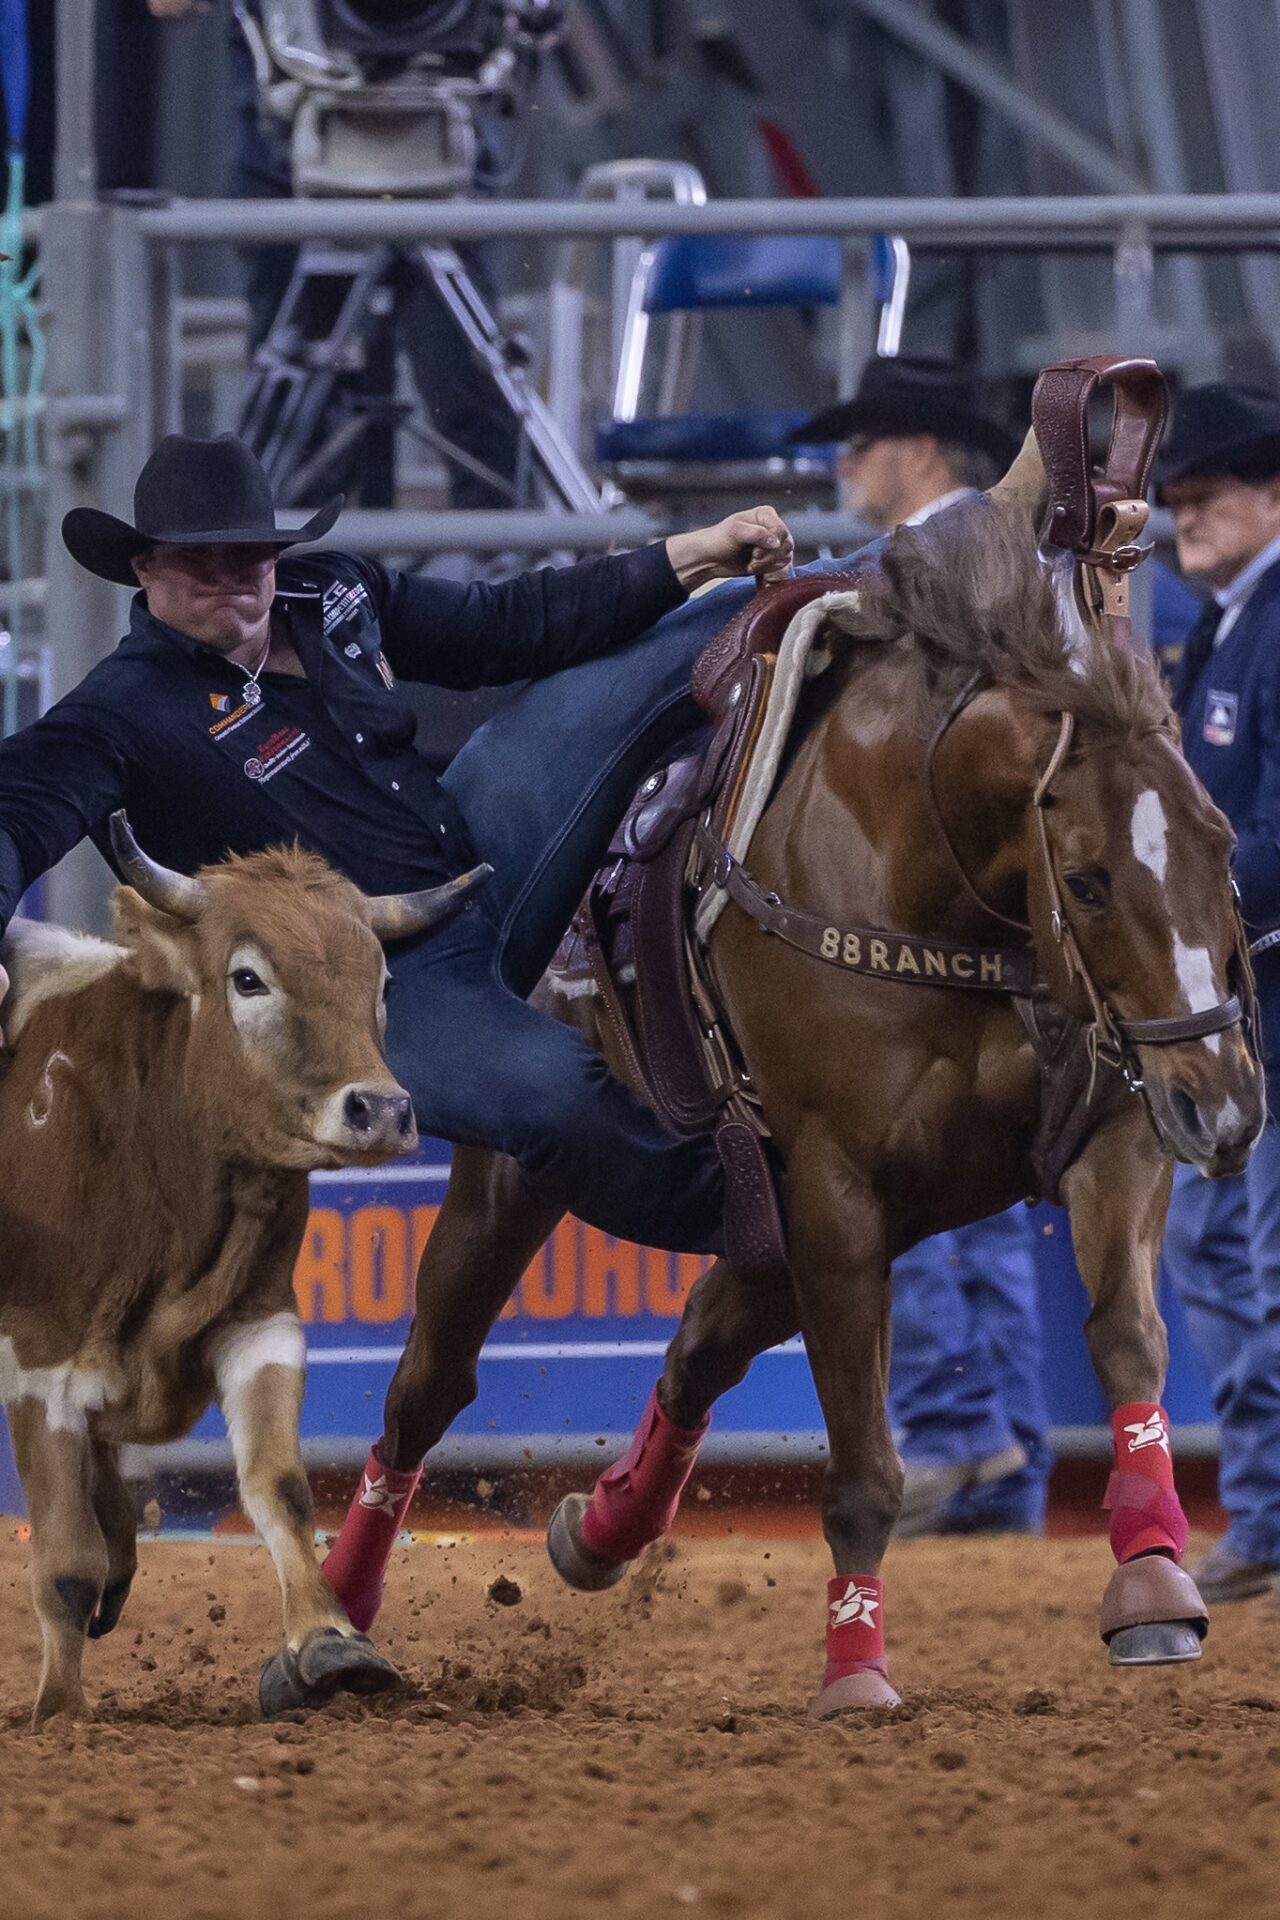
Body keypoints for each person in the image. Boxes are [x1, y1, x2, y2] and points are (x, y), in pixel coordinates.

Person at [0, 434, 795, 1260]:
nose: (236, 575)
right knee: (556, 1099)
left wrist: (689, 556)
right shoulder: (118, 714)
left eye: (255, 554)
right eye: (204, 561)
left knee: (688, 640)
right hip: (377, 984)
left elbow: (506, 625)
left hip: (475, 846)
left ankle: (865, 585)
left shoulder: (331, 589)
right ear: (145, 570)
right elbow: (16, 813)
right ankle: (774, 1226)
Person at [793, 355, 1051, 1535]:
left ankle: (958, 1437)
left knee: (906, 1173)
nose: (844, 464)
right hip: (1001, 927)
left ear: (924, 452)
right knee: (979, 1192)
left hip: (928, 931)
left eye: (864, 442)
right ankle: (999, 1450)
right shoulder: (992, 551)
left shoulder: (928, 561)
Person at [146, 0, 522, 509]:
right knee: (303, 419)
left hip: (440, 140)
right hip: (296, 139)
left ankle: (502, 561)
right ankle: (290, 570)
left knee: (467, 386)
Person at [1157, 382, 1280, 1606]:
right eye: (1173, 491)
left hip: (1257, 1011)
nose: (1177, 508)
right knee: (1217, 1258)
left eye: (1209, 487)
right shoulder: (1227, 623)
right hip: (1243, 1020)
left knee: (1254, 1270)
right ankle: (1265, 1511)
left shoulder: (1264, 622)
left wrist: (1170, 917)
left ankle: (1269, 1513)